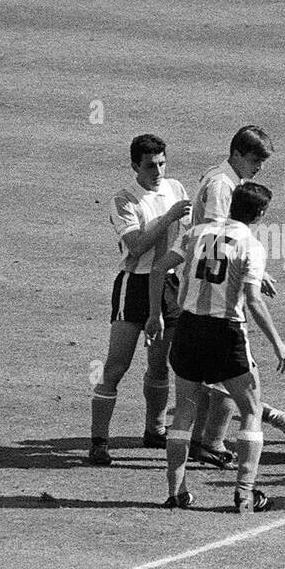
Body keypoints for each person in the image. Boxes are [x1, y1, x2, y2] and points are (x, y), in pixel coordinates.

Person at [145, 182, 285, 512]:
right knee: (251, 410)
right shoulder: (251, 245)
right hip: (226, 333)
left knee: (184, 410)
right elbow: (253, 302)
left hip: (188, 328)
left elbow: (158, 268)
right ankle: (244, 492)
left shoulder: (195, 233)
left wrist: (155, 315)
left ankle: (176, 491)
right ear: (261, 214)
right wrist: (278, 343)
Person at [89, 134, 190, 466]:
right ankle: (99, 441)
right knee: (116, 366)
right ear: (135, 166)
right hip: (134, 286)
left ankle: (154, 430)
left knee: (160, 365)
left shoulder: (176, 188)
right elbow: (136, 246)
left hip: (170, 286)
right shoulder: (124, 200)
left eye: (162, 163)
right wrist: (170, 217)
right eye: (150, 165)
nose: (158, 170)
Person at [186, 124, 275, 469]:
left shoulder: (222, 177)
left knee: (212, 373)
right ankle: (211, 441)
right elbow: (214, 238)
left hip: (208, 286)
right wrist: (254, 271)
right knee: (230, 370)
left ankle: (203, 439)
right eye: (255, 159)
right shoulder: (223, 185)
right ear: (237, 153)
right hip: (215, 291)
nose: (259, 167)